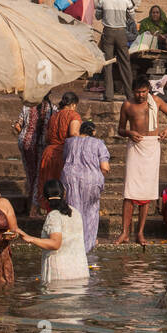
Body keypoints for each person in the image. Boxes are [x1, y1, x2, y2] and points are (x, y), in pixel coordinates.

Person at [113, 78, 167, 245]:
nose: (141, 95)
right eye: (138, 92)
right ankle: (125, 232)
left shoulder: (156, 101)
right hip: (135, 147)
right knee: (129, 191)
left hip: (152, 146)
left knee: (147, 193)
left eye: (144, 92)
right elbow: (120, 129)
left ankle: (140, 233)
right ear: (133, 91)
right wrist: (129, 133)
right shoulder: (127, 105)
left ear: (148, 90)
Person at [17, 178, 90, 283]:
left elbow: (55, 244)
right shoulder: (76, 213)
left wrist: (31, 239)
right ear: (64, 193)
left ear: (44, 198)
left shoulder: (53, 216)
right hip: (80, 272)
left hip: (59, 276)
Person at [61, 119, 110, 253]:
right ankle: (87, 245)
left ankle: (73, 245)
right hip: (91, 179)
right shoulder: (98, 143)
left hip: (70, 178)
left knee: (73, 210)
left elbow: (65, 159)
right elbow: (105, 167)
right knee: (91, 211)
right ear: (93, 132)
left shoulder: (69, 142)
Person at [36, 92, 81, 214]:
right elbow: (73, 133)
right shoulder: (73, 115)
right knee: (62, 188)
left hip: (48, 152)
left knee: (49, 187)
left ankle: (49, 213)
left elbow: (46, 137)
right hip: (63, 154)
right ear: (73, 104)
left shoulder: (54, 116)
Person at [97, 0, 135, 101]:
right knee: (125, 63)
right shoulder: (126, 0)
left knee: (108, 63)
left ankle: (109, 95)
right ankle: (129, 95)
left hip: (108, 32)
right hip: (121, 33)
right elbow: (132, 17)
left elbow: (97, 16)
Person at [13, 95, 53, 210]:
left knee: (30, 173)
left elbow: (17, 126)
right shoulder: (52, 108)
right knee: (38, 175)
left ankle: (31, 202)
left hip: (25, 143)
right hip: (41, 144)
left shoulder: (27, 107)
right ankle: (33, 207)